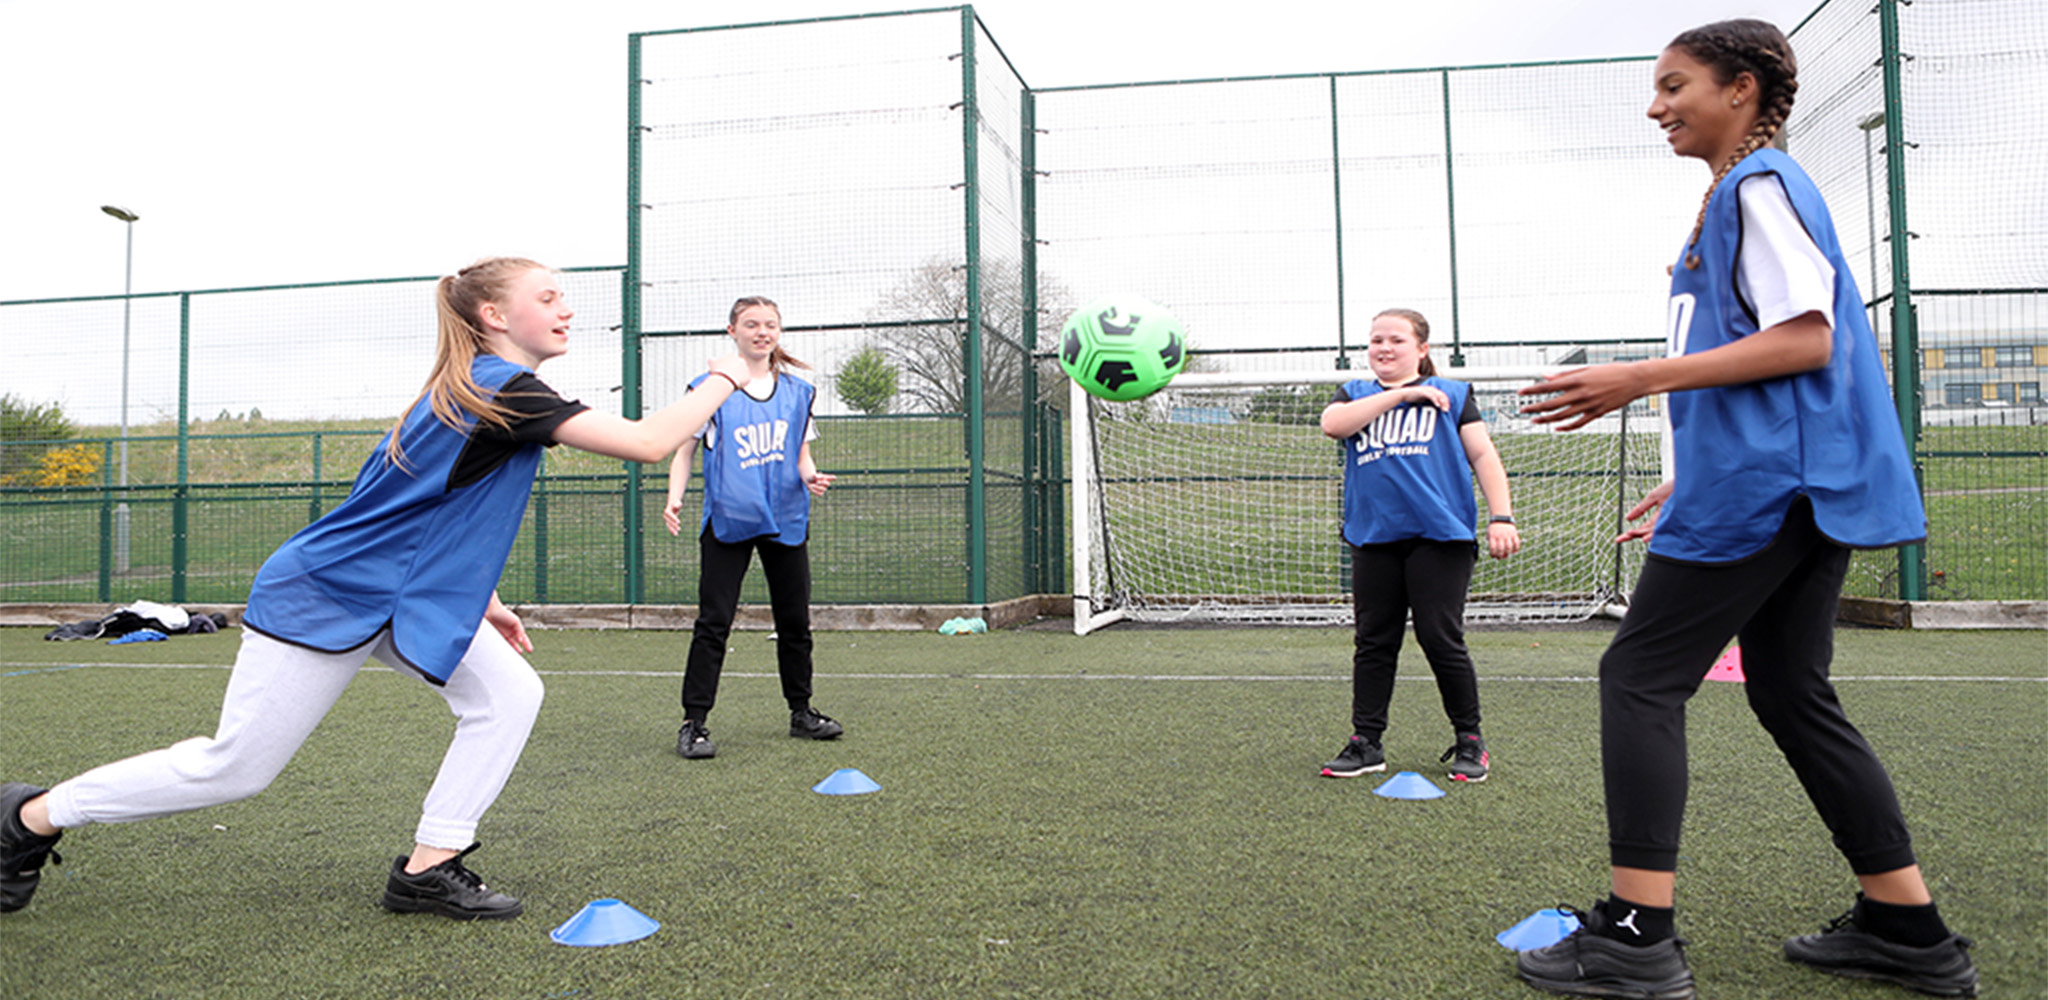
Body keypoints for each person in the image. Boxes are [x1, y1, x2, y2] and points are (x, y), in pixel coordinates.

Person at [1, 257, 751, 921]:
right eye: (550, 296)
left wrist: (478, 598)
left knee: (509, 694)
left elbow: (418, 507)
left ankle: (429, 868)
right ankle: (30, 817)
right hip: (328, 594)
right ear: (495, 315)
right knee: (236, 768)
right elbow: (652, 443)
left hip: (397, 597)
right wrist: (722, 375)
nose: (567, 310)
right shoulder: (501, 390)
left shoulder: (471, 390)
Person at [1513, 20, 1977, 999]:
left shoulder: (1755, 187)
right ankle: (1907, 926)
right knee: (1787, 690)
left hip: (1771, 491)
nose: (1654, 105)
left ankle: (1637, 935)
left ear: (1739, 87)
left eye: (1673, 84)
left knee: (1637, 676)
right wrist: (1690, 468)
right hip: (1788, 482)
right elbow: (1769, 365)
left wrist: (1634, 378)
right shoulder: (1739, 194)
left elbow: (1806, 339)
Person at [1317, 308, 1520, 784]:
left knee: (1438, 635)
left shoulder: (1453, 394)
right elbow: (1333, 424)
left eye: (1396, 340)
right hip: (1375, 538)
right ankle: (1366, 742)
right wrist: (1404, 394)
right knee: (1374, 641)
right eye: (1375, 341)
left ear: (1422, 349)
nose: (1383, 348)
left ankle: (1471, 740)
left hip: (1439, 536)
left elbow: (1483, 456)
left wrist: (1501, 516)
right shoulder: (1356, 394)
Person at [662, 296, 840, 760]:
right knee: (713, 622)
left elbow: (800, 451)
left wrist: (809, 475)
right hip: (730, 519)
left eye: (770, 325)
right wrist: (674, 497)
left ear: (779, 332)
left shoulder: (799, 392)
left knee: (795, 621)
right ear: (732, 331)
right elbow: (683, 448)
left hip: (785, 516)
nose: (762, 332)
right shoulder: (710, 388)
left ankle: (801, 712)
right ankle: (694, 724)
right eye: (752, 324)